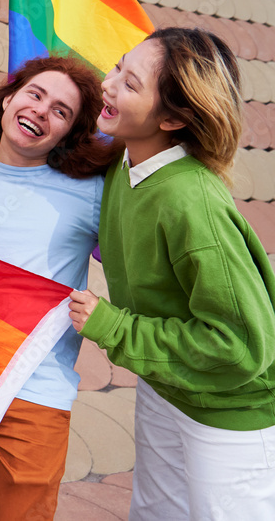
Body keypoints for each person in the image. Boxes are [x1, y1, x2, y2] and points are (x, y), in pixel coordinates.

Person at [69, 27, 275, 520]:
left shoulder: (192, 202)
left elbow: (243, 345)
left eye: (131, 83)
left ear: (174, 118)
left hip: (228, 412)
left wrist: (114, 327)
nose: (109, 83)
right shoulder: (127, 160)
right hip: (167, 383)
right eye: (118, 66)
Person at [0, 56, 122, 521]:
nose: (42, 111)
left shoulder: (91, 192)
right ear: (9, 99)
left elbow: (138, 261)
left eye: (62, 111)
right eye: (35, 94)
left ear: (68, 132)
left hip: (36, 395)